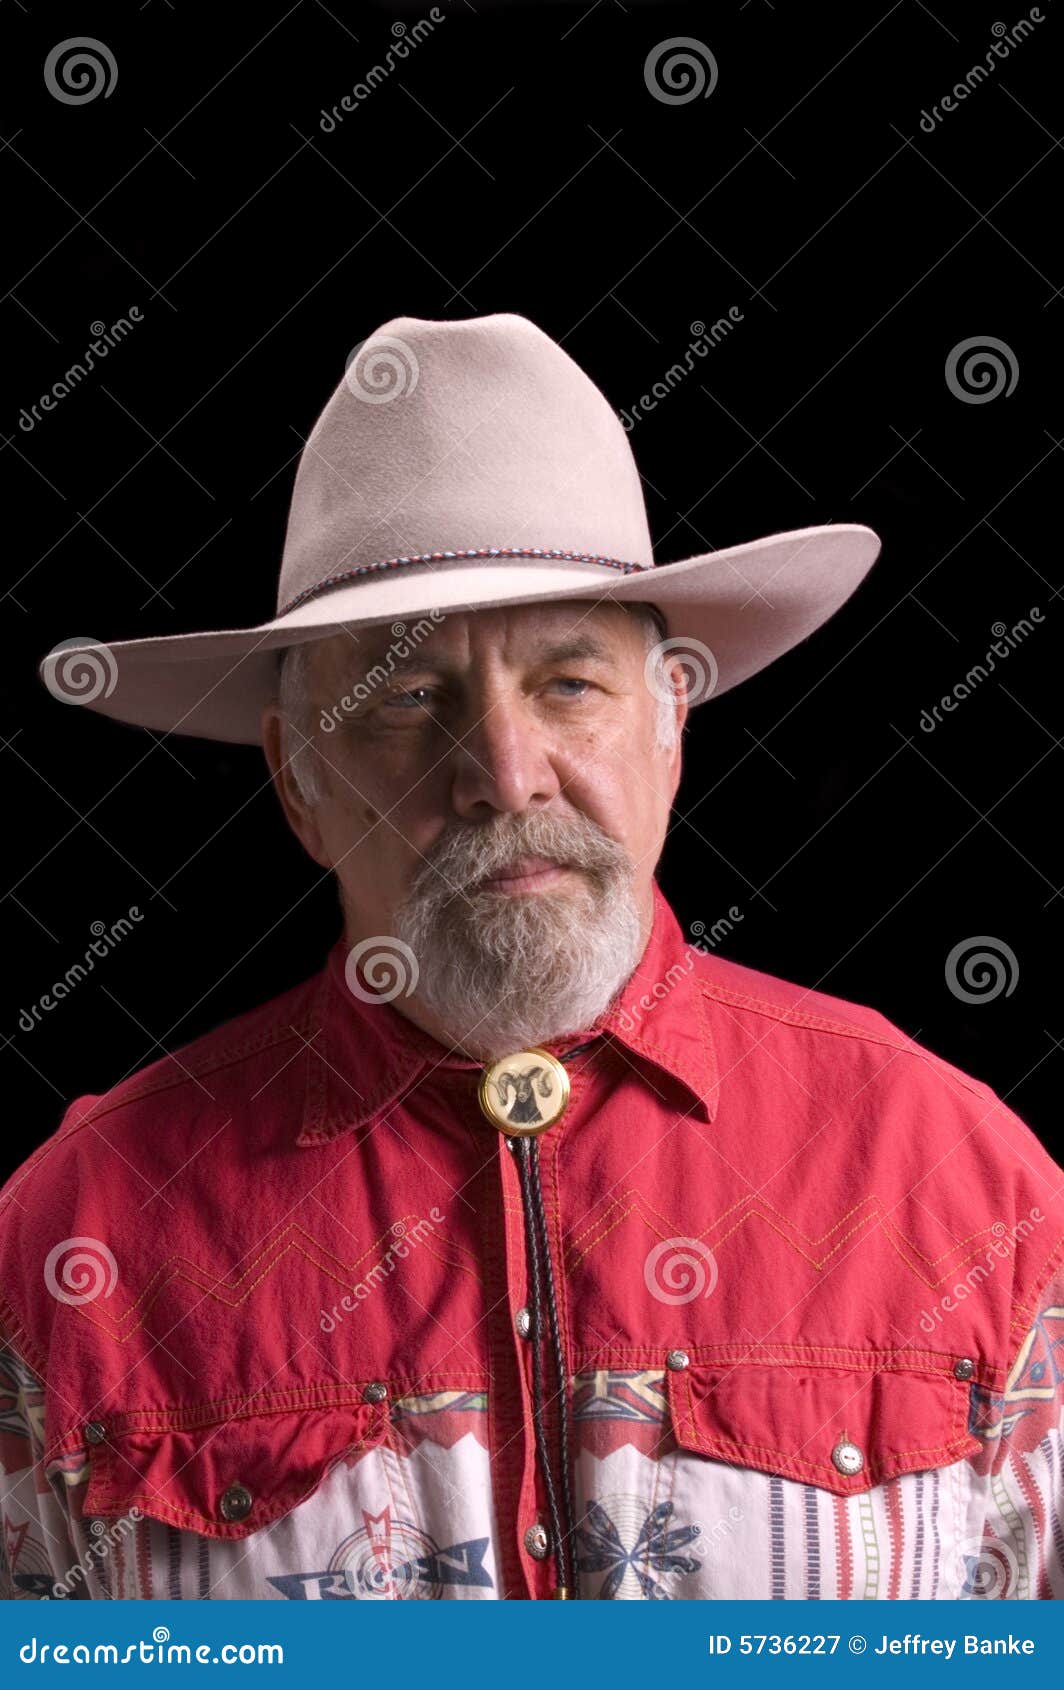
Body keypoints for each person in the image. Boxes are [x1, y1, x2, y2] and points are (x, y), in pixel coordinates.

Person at [2, 313, 1060, 1602]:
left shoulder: (964, 1179)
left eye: (569, 684)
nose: (504, 776)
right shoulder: (76, 1233)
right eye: (408, 699)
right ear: (297, 780)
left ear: (669, 722)